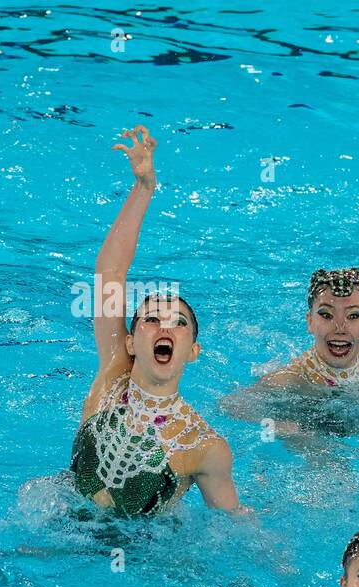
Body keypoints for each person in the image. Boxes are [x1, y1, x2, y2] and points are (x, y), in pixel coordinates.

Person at [69, 125, 240, 516]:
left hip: (145, 559)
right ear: (130, 342)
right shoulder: (112, 375)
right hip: (64, 527)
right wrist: (143, 188)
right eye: (151, 320)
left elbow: (233, 525)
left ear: (193, 351)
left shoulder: (205, 447)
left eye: (179, 323)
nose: (165, 328)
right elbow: (110, 273)